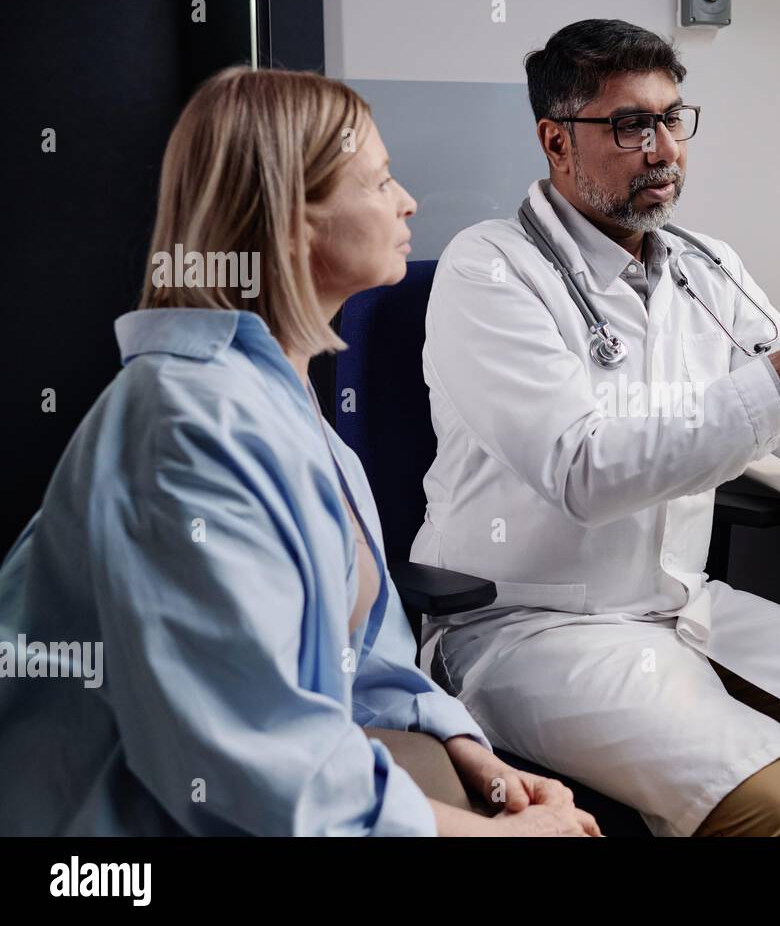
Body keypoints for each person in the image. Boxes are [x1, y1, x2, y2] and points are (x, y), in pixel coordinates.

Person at [414, 19, 780, 837]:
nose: (663, 148)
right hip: (532, 630)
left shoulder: (705, 267)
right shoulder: (489, 269)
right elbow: (585, 472)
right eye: (630, 124)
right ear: (556, 141)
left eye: (672, 118)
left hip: (683, 610)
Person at [0, 67, 598, 837]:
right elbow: (248, 769)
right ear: (291, 219)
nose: (408, 201)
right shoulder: (186, 429)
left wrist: (471, 752)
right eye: (380, 181)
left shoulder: (289, 404)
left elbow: (358, 658)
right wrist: (506, 836)